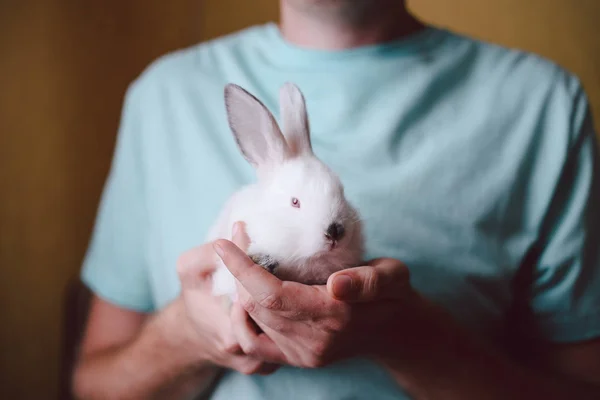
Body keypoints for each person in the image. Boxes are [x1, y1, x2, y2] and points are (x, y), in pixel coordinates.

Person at [72, 1, 600, 399]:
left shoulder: (545, 104)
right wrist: (192, 333)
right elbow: (92, 386)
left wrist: (409, 338)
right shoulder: (162, 95)